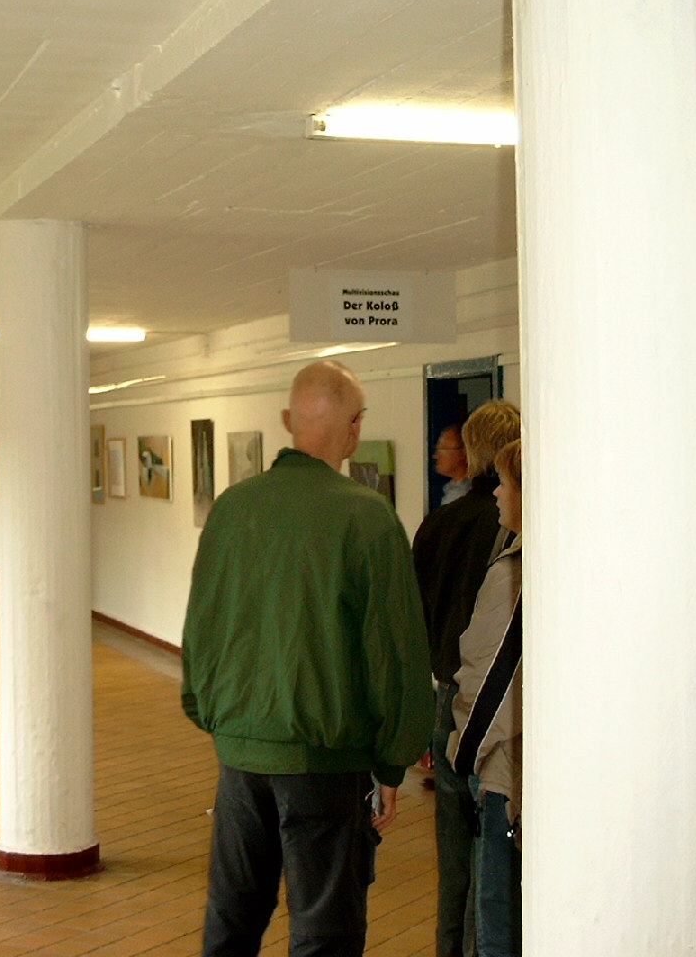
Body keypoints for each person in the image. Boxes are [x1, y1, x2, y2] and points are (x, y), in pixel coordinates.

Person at [181, 360, 435, 957]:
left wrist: (218, 718)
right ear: (355, 426)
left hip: (240, 755)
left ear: (287, 421)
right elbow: (395, 651)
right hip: (327, 762)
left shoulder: (232, 510)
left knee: (232, 918)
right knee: (325, 928)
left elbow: (202, 627)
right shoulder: (367, 518)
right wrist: (393, 761)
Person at [410, 401, 521, 957]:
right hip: (496, 709)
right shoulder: (512, 533)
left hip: (445, 700)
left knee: (453, 860)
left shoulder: (436, 526)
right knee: (494, 860)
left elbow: (415, 621)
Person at [449, 438, 524, 957]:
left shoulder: (516, 572)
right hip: (533, 774)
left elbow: (488, 684)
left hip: (505, 776)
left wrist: (462, 757)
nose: (496, 492)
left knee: (497, 930)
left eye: (507, 482)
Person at [435, 424, 471, 505]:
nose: (436, 456)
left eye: (442, 449)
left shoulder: (471, 493)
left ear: (464, 452)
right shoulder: (450, 489)